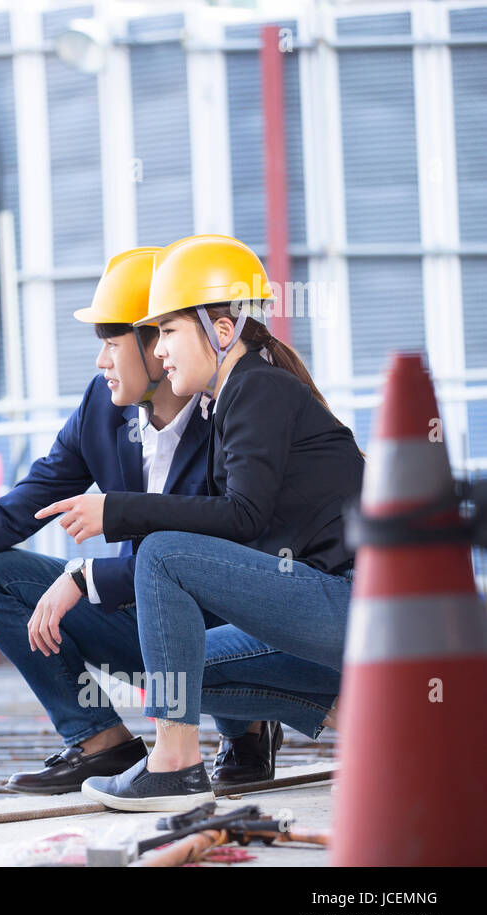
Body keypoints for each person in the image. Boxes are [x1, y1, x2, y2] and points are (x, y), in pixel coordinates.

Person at [0, 246, 339, 795]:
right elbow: (15, 511)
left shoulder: (228, 410)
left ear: (157, 345)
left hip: (229, 619)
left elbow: (231, 542)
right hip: (155, 622)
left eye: (111, 344)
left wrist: (85, 575)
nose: (102, 362)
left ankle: (243, 732)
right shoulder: (103, 413)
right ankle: (100, 742)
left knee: (174, 566)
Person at [39, 234, 364, 812]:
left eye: (167, 331)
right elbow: (232, 527)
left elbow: (241, 517)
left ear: (221, 330)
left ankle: (174, 764)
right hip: (325, 622)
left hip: (349, 607)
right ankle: (358, 707)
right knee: (167, 672)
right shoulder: (233, 400)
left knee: (163, 552)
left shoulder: (259, 388)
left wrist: (114, 512)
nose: (158, 351)